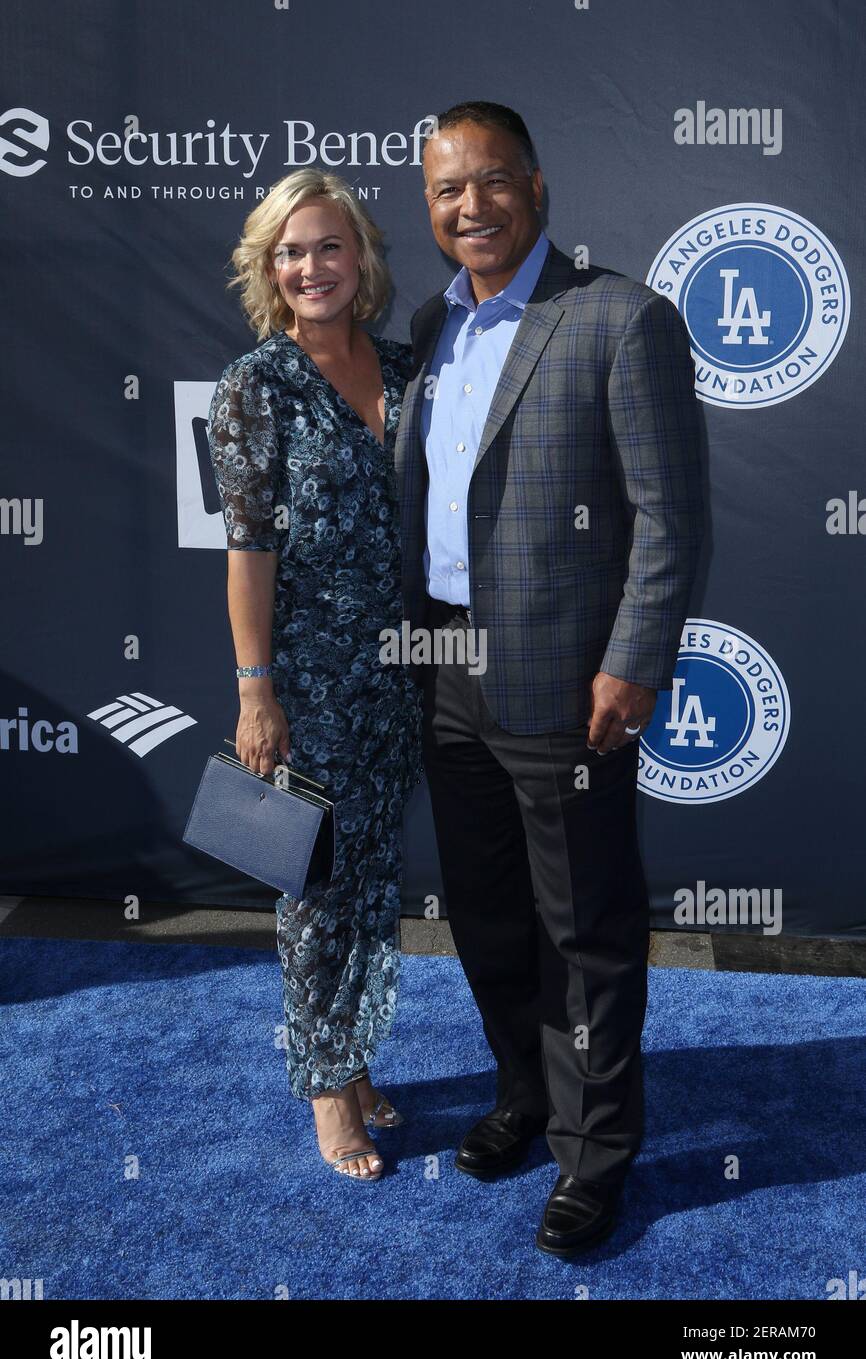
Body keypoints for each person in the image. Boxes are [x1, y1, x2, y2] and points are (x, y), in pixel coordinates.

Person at [394, 101, 705, 1253]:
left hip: (566, 683)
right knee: (485, 913)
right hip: (441, 667)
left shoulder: (620, 318)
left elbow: (670, 521)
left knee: (584, 924)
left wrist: (631, 662)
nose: (466, 206)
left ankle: (592, 1156)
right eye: (443, 192)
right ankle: (523, 1094)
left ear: (534, 184)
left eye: (486, 183)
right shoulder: (431, 327)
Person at [207, 169, 423, 1181]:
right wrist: (257, 689)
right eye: (289, 251)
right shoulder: (256, 384)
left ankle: (355, 1052)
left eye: (328, 246)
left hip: (403, 678)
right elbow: (248, 549)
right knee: (314, 887)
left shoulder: (404, 365)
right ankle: (325, 1090)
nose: (310, 267)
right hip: (308, 683)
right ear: (268, 268)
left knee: (373, 881)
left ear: (362, 258)